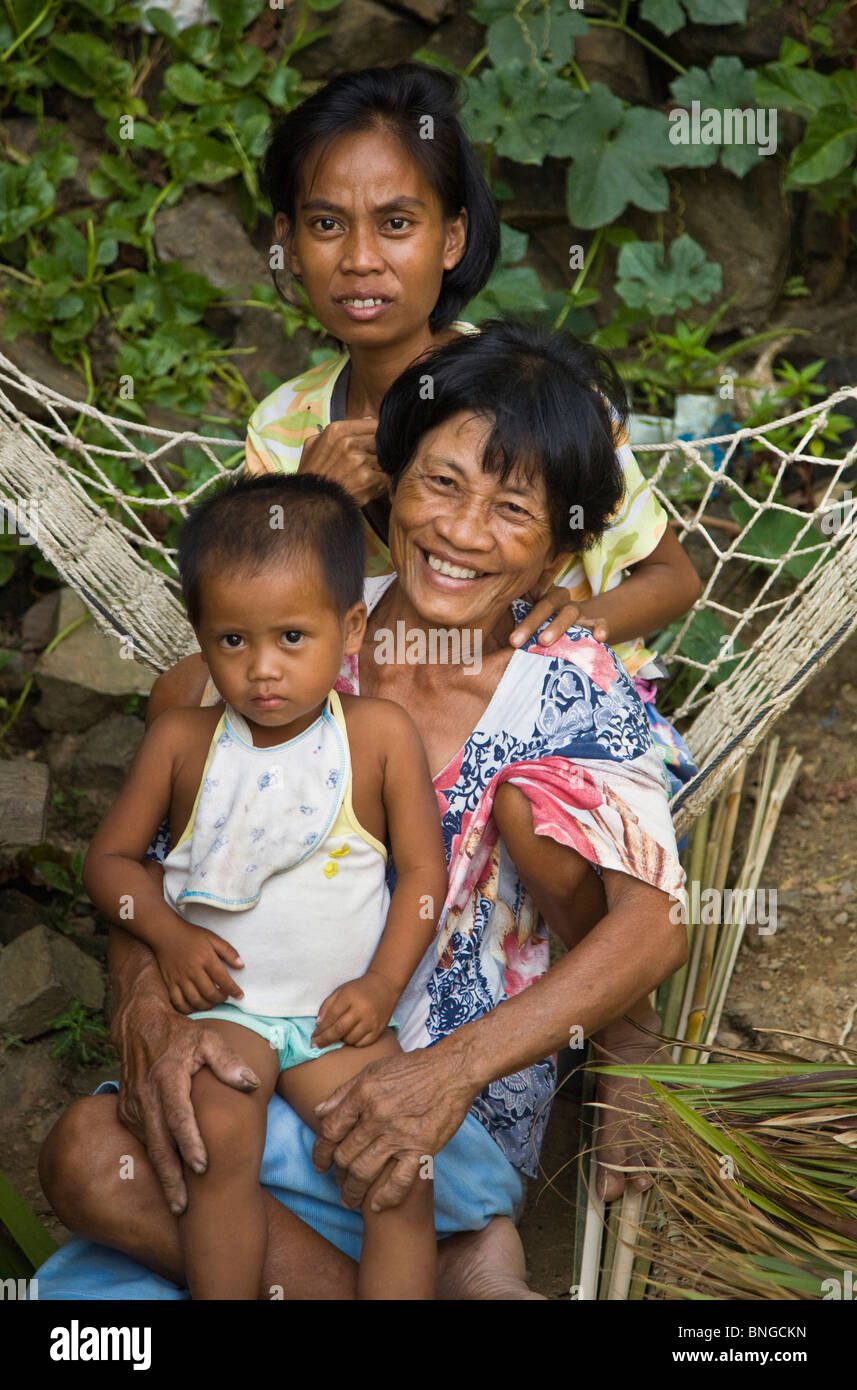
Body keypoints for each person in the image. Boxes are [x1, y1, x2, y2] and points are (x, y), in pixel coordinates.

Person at [38, 319, 688, 1301]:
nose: (462, 532)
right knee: (89, 1158)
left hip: (435, 1099)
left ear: (561, 551)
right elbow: (156, 854)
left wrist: (446, 1072)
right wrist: (140, 997)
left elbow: (651, 923)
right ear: (388, 482)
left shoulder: (563, 686)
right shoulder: (296, 641)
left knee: (525, 806)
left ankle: (447, 1254)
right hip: (259, 1042)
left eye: (512, 508)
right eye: (439, 483)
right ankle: (452, 1279)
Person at [239, 61, 702, 797]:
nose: (360, 260)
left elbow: (671, 578)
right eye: (326, 225)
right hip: (371, 745)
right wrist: (311, 509)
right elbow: (260, 632)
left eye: (396, 224)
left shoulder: (545, 398)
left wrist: (576, 621)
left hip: (548, 733)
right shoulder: (283, 429)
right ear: (289, 244)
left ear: (451, 237)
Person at [78, 473, 448, 1299]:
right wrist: (169, 939)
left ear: (349, 628)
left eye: (290, 637)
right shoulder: (182, 739)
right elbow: (108, 863)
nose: (262, 671)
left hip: (335, 1019)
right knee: (212, 1147)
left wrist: (381, 983)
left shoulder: (379, 736)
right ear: (201, 639)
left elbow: (425, 874)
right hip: (223, 1012)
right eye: (232, 642)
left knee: (396, 1168)